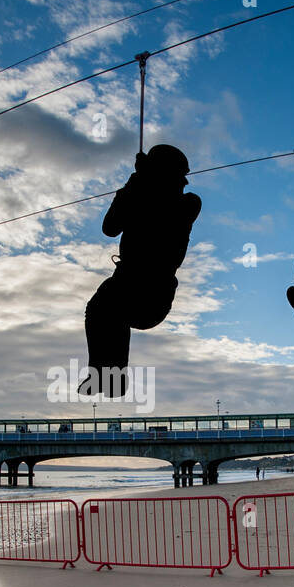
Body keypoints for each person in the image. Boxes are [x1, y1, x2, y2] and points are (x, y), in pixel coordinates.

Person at [81, 144, 201, 397]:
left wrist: (139, 180)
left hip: (152, 293)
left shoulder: (187, 203)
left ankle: (111, 379)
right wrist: (136, 181)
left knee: (108, 310)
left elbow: (161, 211)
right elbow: (110, 227)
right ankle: (105, 378)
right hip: (133, 286)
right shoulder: (142, 194)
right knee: (103, 312)